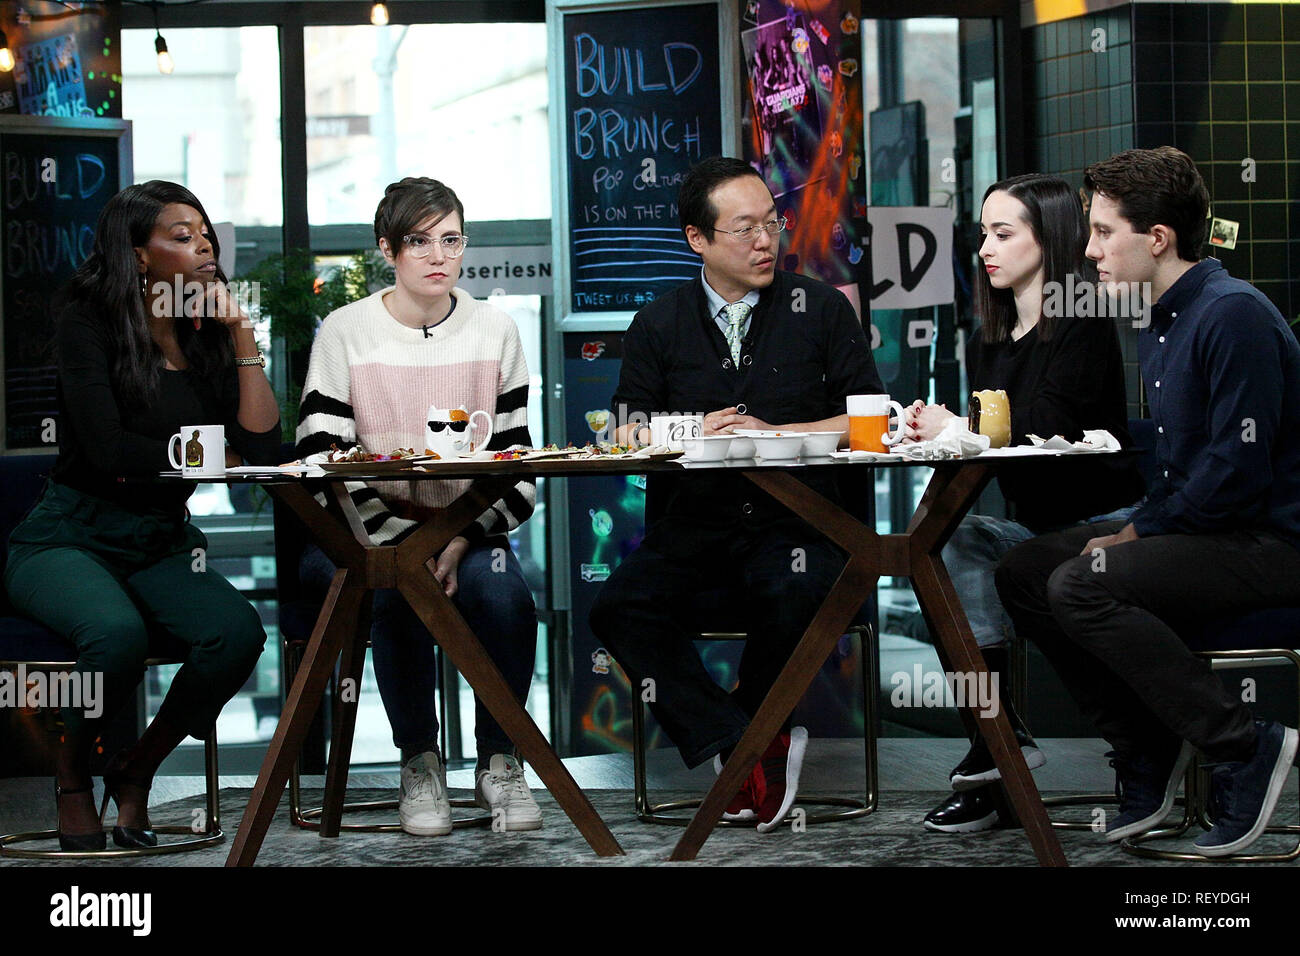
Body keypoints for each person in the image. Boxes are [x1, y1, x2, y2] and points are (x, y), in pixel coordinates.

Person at [996, 147, 1300, 856]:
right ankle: (1148, 745)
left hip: (1270, 544)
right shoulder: (1163, 318)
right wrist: (1139, 525)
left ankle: (1243, 745)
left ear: (1156, 238)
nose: (1090, 250)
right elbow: (1183, 470)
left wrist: (1137, 535)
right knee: (1024, 570)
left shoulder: (1232, 316)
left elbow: (1234, 474)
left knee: (1082, 583)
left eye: (1104, 233)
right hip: (1211, 532)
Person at [589, 156, 884, 832]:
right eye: (745, 228)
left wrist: (780, 432)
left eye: (772, 225)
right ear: (698, 238)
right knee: (620, 606)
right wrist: (690, 427)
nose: (765, 242)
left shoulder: (821, 308)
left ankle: (753, 745)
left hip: (797, 529)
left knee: (793, 589)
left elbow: (869, 415)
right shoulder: (659, 322)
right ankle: (745, 744)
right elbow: (625, 429)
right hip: (693, 534)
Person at [4, 181, 280, 851]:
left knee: (237, 633)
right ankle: (72, 778)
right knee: (116, 635)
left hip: (159, 543)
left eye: (206, 234)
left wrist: (241, 331)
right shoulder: (87, 319)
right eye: (181, 237)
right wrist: (209, 456)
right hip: (69, 536)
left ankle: (136, 768)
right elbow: (106, 450)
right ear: (139, 256)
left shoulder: (208, 330)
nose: (204, 246)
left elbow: (267, 445)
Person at [296, 177, 541, 836]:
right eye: (418, 241)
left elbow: (518, 471)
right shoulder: (345, 332)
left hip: (470, 532)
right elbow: (323, 469)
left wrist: (456, 539)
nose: (438, 255)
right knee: (393, 590)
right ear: (388, 250)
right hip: (366, 537)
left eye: (451, 240)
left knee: (507, 600)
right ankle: (421, 765)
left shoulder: (496, 330)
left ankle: (501, 762)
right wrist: (407, 546)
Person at [900, 174, 1144, 834]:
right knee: (944, 546)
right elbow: (990, 435)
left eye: (1003, 234)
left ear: (1052, 238)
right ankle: (999, 742)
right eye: (983, 233)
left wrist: (961, 427)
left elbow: (1042, 428)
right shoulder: (995, 334)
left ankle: (997, 763)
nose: (986, 247)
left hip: (1104, 527)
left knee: (1006, 559)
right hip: (1036, 528)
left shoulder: (1082, 319)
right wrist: (938, 431)